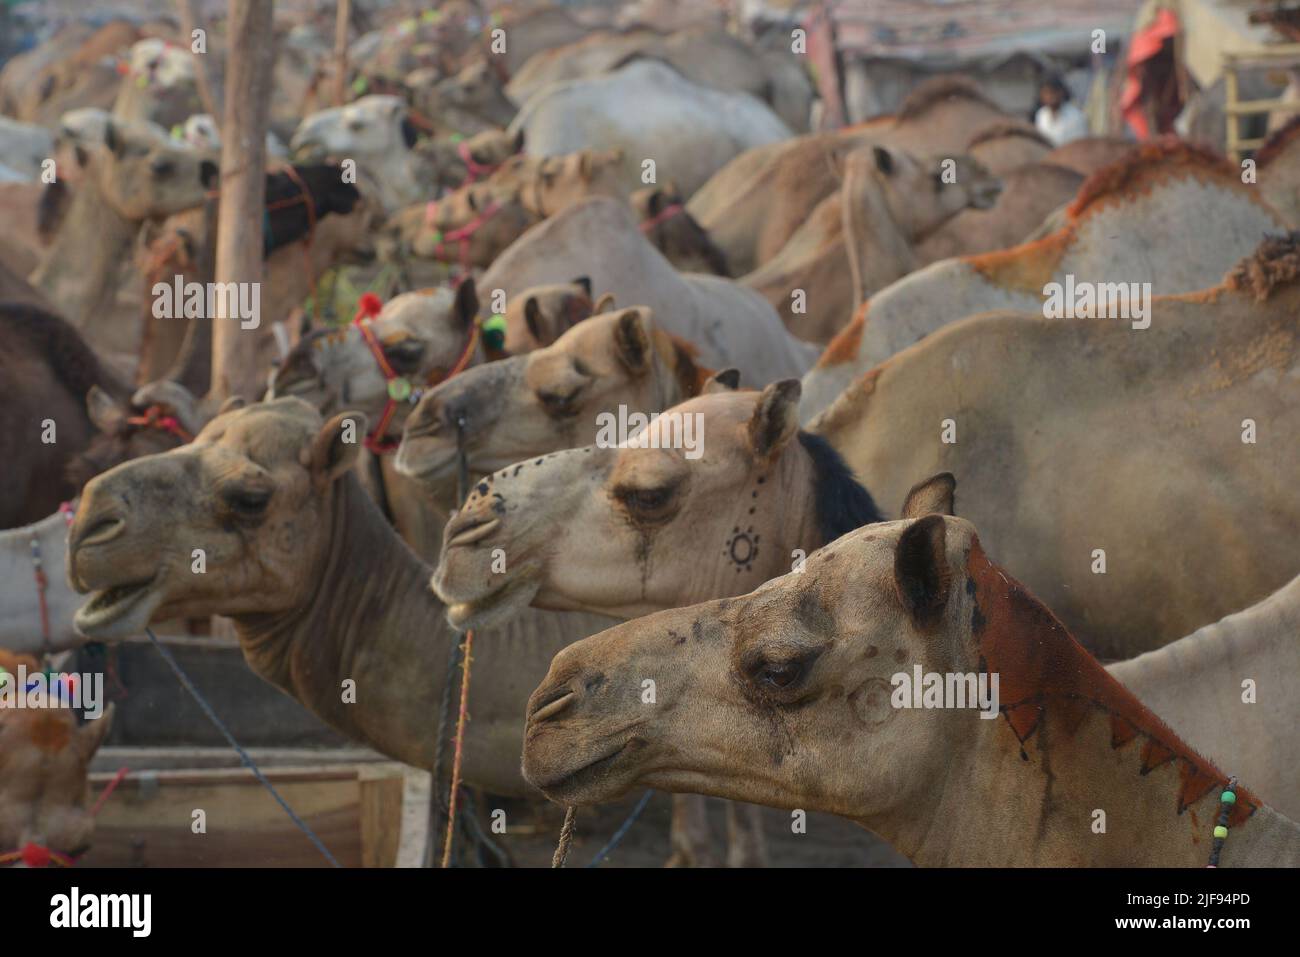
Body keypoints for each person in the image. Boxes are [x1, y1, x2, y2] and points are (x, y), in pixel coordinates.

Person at [1035, 76, 1089, 146]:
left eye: (1052, 92)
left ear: (1061, 93)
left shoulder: (1076, 117)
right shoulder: (1041, 115)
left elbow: (1081, 145)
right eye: (1045, 93)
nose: (1049, 96)